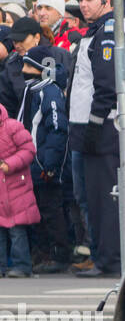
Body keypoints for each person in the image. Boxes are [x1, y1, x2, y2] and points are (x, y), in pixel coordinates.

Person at [67, 0, 125, 277]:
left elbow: (107, 86)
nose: (83, 6)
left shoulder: (109, 31)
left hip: (103, 126)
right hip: (87, 125)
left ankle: (109, 260)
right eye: (80, 1)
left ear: (106, 1)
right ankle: (101, 255)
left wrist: (94, 125)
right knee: (90, 197)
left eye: (89, 0)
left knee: (103, 198)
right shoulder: (95, 31)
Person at [17, 48, 70, 273]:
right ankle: (43, 254)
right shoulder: (32, 91)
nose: (24, 71)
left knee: (51, 211)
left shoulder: (49, 92)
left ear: (41, 69)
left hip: (43, 166)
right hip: (31, 164)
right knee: (35, 211)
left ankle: (60, 255)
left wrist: (50, 165)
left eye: (29, 66)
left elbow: (57, 130)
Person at [0, 102, 39, 277]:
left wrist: (9, 164)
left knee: (17, 231)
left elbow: (29, 150)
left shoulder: (13, 126)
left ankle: (22, 266)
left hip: (16, 187)